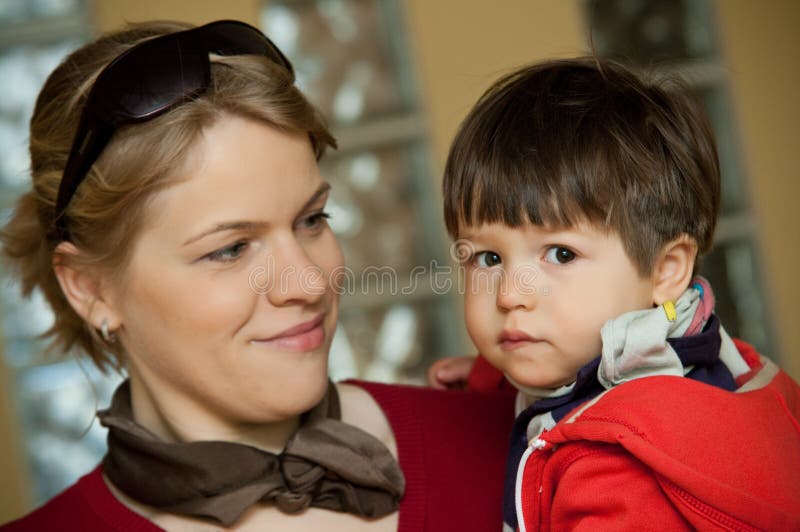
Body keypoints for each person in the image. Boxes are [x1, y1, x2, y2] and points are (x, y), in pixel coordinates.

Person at [0, 20, 515, 531]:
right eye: (230, 249)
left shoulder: (524, 444)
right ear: (88, 288)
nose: (309, 283)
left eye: (312, 220)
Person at [438, 57, 800, 530]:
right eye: (488, 259)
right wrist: (494, 378)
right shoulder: (711, 361)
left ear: (665, 270)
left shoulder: (616, 473)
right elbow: (584, 376)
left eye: (561, 255)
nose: (509, 296)